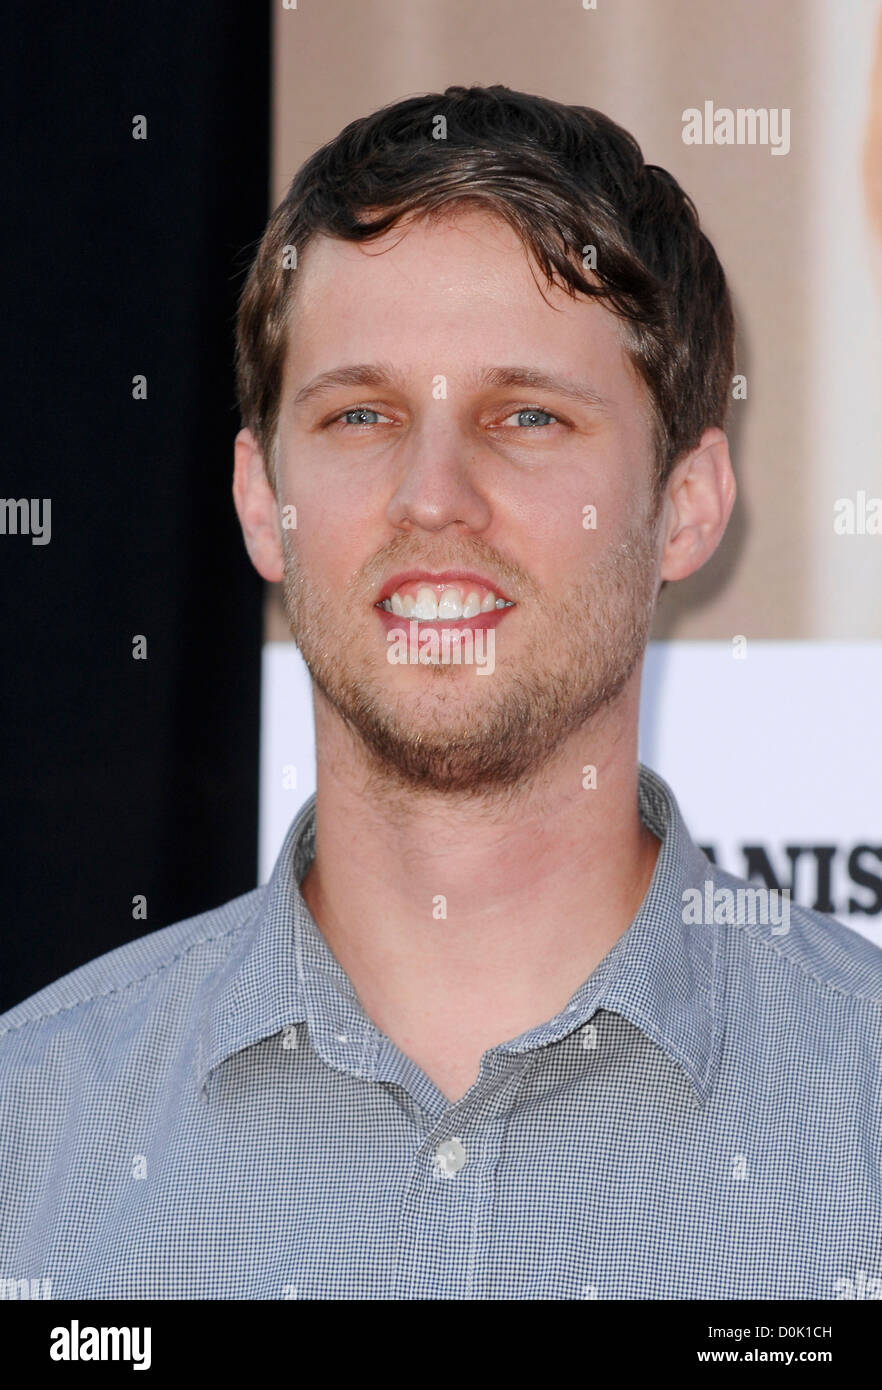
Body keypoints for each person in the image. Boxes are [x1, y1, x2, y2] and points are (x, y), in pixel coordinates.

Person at [2, 85, 880, 1301]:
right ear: (263, 500)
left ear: (686, 504)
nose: (433, 495)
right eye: (362, 413)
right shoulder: (29, 1141)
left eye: (526, 414)